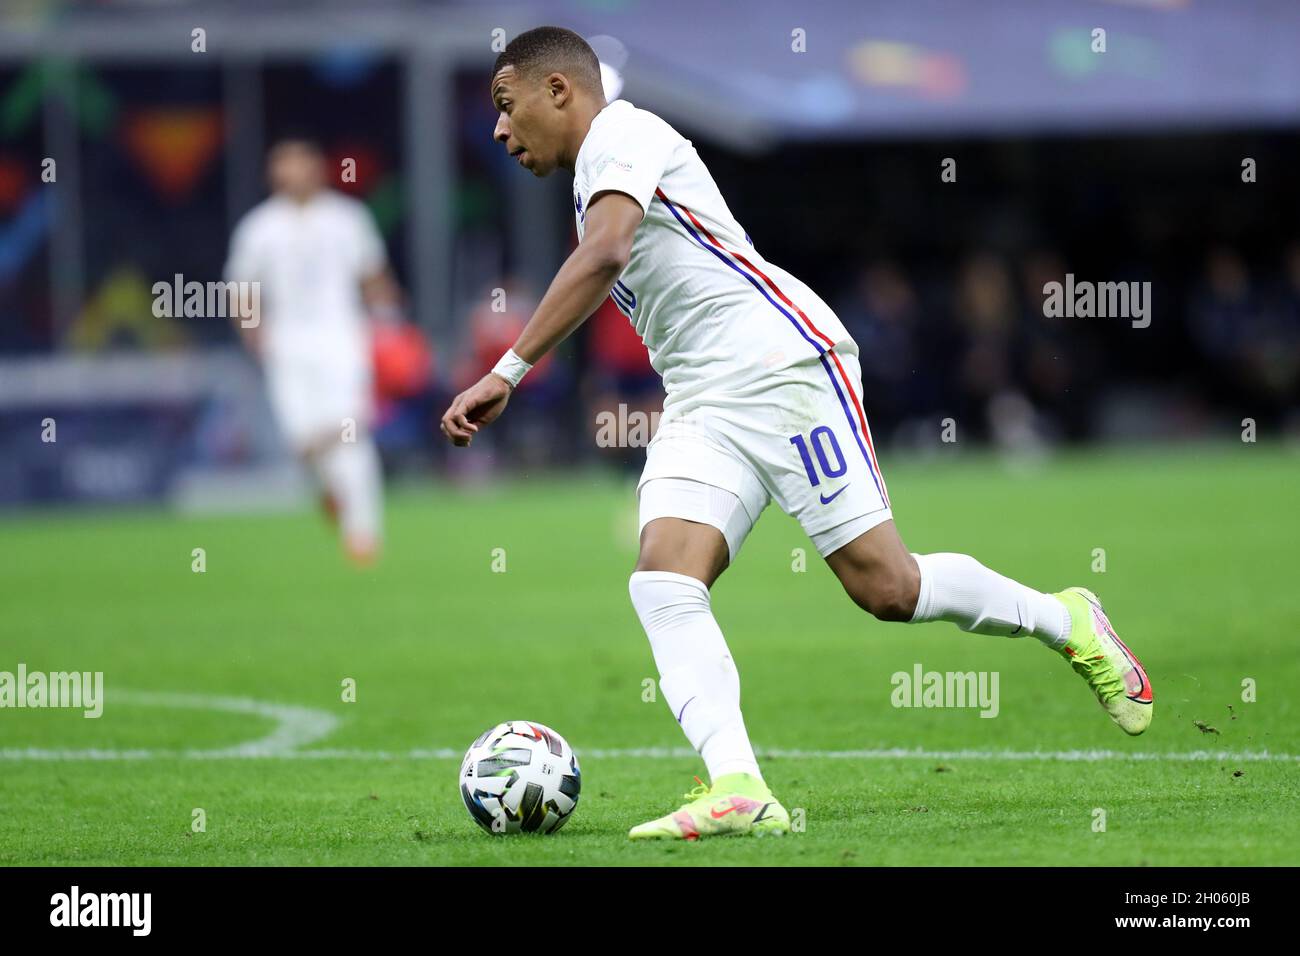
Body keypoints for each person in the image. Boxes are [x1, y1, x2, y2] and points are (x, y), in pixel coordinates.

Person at [440, 27, 1153, 841]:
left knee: (888, 588)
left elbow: (606, 256)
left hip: (782, 368)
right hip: (704, 398)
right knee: (663, 578)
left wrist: (508, 370)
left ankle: (1068, 619)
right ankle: (739, 786)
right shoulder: (592, 179)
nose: (499, 127)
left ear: (559, 89)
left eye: (507, 104)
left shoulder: (623, 133)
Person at [225, 135, 399, 565]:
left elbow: (373, 276)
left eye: (300, 163)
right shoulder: (259, 228)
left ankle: (363, 534)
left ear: (317, 168)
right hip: (286, 344)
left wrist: (390, 324)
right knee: (302, 440)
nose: (292, 173)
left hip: (342, 338)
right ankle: (332, 490)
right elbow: (241, 288)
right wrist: (252, 332)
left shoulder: (347, 218)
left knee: (349, 431)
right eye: (283, 165)